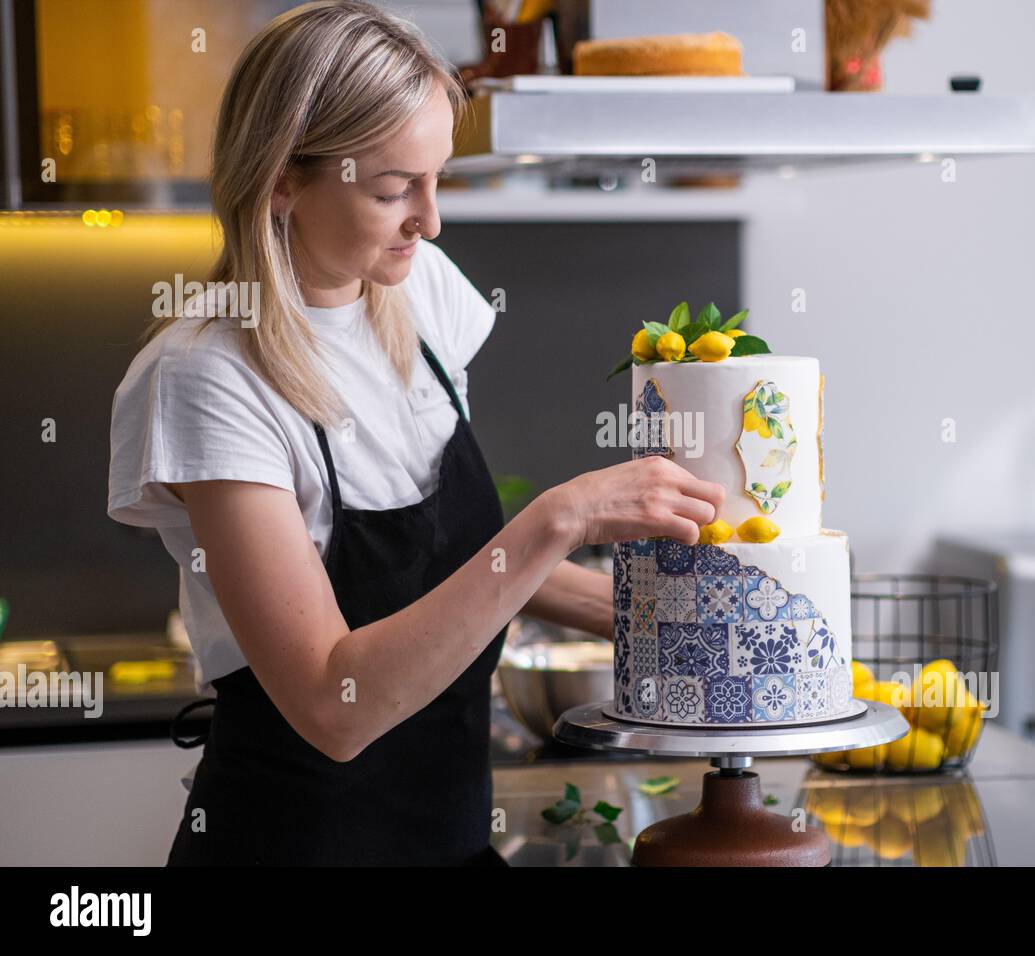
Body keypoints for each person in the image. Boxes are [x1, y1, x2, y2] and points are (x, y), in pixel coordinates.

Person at [106, 0, 723, 866]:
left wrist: (674, 620)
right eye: (394, 189)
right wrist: (563, 518)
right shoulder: (209, 376)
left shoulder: (417, 292)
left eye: (440, 179)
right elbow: (335, 703)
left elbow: (460, 568)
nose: (430, 221)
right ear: (282, 178)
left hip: (454, 844)